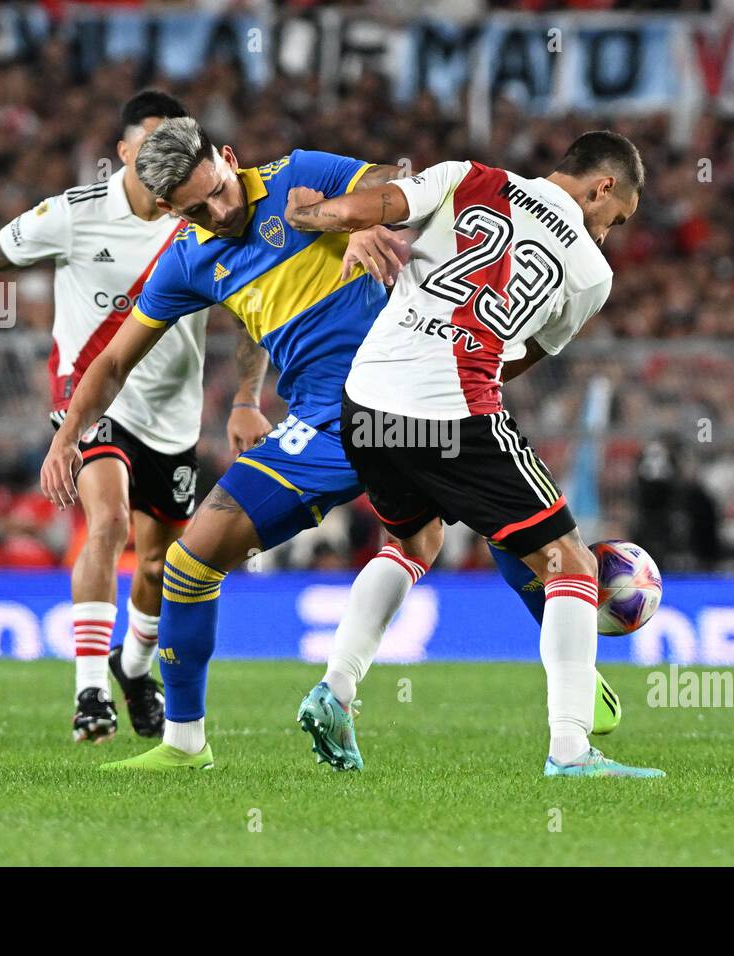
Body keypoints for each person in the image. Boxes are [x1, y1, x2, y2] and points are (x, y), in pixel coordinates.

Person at [38, 116, 618, 772]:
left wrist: (360, 220)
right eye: (197, 209)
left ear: (230, 156)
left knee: (491, 540)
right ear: (170, 210)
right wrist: (70, 436)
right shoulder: (186, 261)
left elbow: (389, 186)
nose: (220, 211)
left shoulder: (300, 175)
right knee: (192, 564)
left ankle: (569, 688)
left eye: (220, 189)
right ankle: (186, 743)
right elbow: (116, 362)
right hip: (326, 420)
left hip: (410, 387)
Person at [285, 131, 665, 779]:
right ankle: (572, 751)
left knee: (413, 542)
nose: (608, 233)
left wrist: (305, 214)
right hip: (452, 409)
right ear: (602, 187)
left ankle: (336, 690)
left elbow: (353, 212)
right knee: (568, 562)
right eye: (616, 218)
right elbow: (521, 358)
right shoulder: (592, 273)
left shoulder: (467, 176)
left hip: (367, 398)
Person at [0, 92, 269, 743]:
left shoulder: (206, 217)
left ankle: (134, 664)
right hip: (89, 401)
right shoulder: (74, 214)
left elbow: (252, 313)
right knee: (109, 520)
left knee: (159, 565)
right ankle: (91, 689)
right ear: (124, 151)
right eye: (147, 147)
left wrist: (244, 400)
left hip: (173, 417)